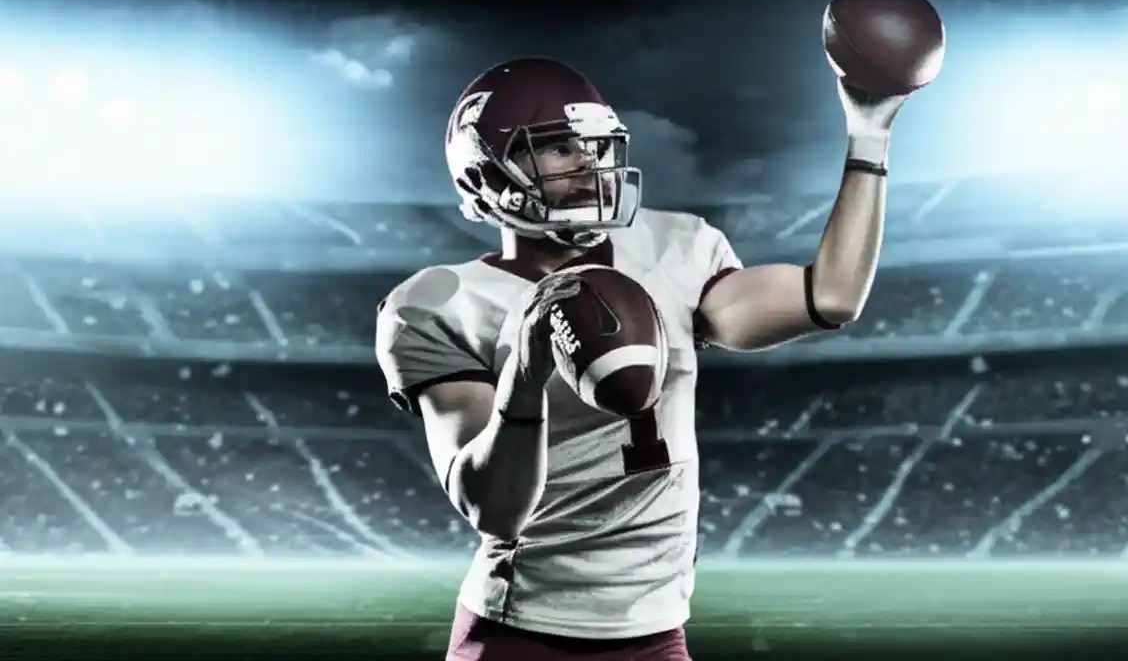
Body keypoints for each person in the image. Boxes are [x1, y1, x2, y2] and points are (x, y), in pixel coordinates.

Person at [375, 56, 904, 660]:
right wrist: (525, 374)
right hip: (520, 629)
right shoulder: (438, 301)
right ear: (486, 174)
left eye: (592, 143)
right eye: (555, 148)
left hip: (655, 628)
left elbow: (829, 298)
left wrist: (869, 133)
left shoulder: (675, 248)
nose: (586, 162)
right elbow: (493, 508)